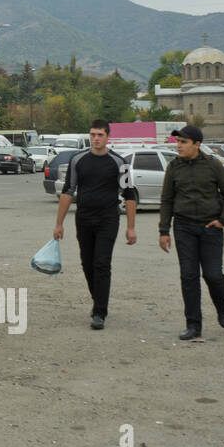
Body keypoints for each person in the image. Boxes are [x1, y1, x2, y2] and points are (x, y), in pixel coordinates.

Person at [53, 120, 137, 329]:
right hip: (83, 218)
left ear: (108, 136)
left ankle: (100, 312)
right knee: (87, 263)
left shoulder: (119, 162)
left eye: (100, 134)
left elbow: (129, 194)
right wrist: (59, 224)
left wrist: (131, 227)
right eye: (93, 134)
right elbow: (68, 191)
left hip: (108, 219)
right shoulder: (78, 160)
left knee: (101, 263)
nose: (96, 138)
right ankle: (98, 299)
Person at [158, 124, 224, 340]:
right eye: (177, 142)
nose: (178, 146)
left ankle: (222, 307)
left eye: (183, 142)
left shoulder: (213, 165)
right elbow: (166, 200)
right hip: (183, 227)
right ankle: (193, 325)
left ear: (197, 144)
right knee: (188, 276)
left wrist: (223, 220)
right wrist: (164, 230)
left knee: (212, 274)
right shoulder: (174, 167)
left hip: (210, 228)